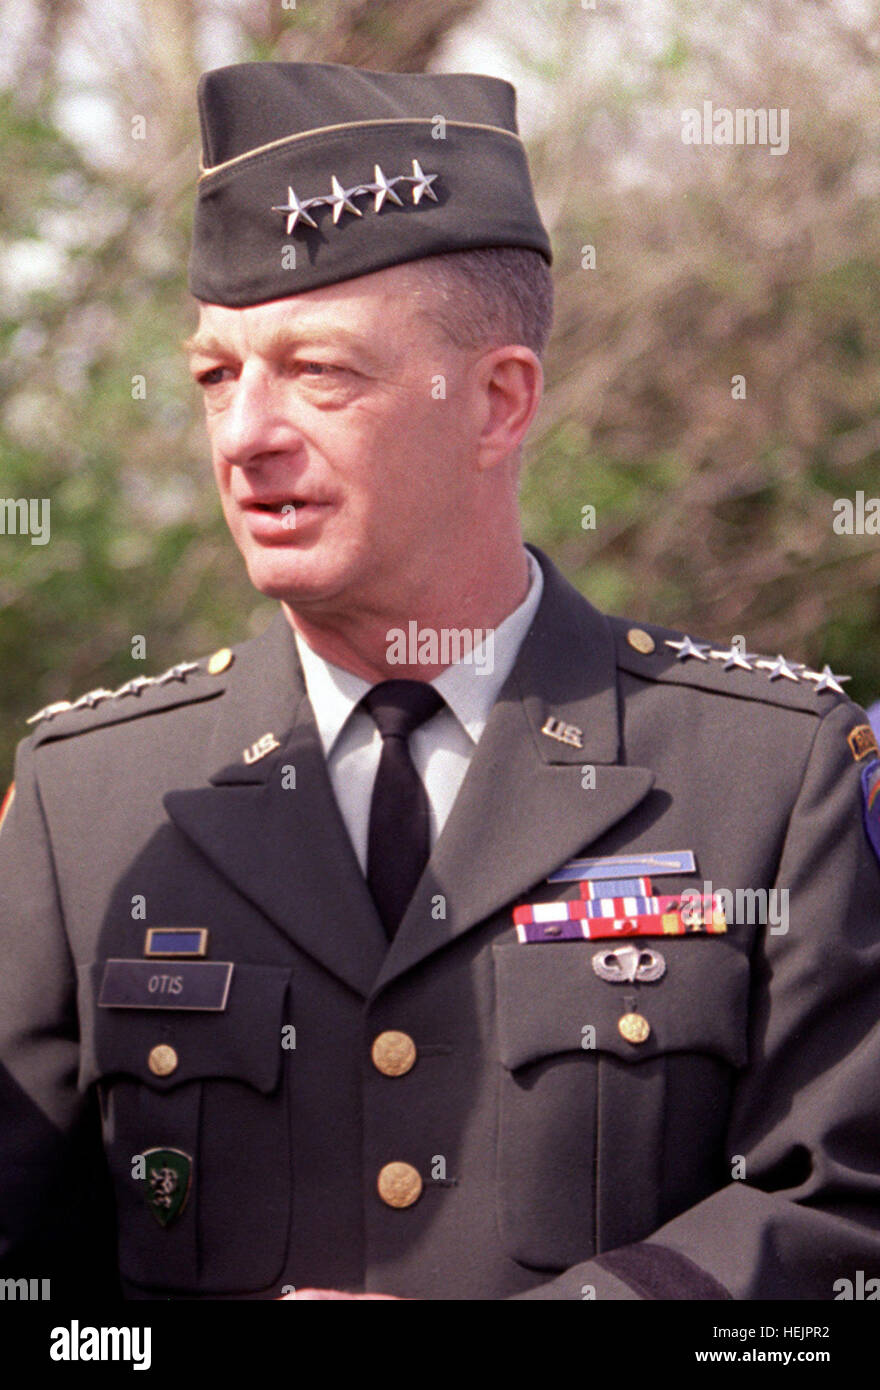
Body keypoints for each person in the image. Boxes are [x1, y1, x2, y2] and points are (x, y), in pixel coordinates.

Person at [1, 59, 880, 1303]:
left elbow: (845, 1226)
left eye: (318, 371)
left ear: (496, 403)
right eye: (215, 374)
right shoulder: (89, 801)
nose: (244, 434)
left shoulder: (764, 777)